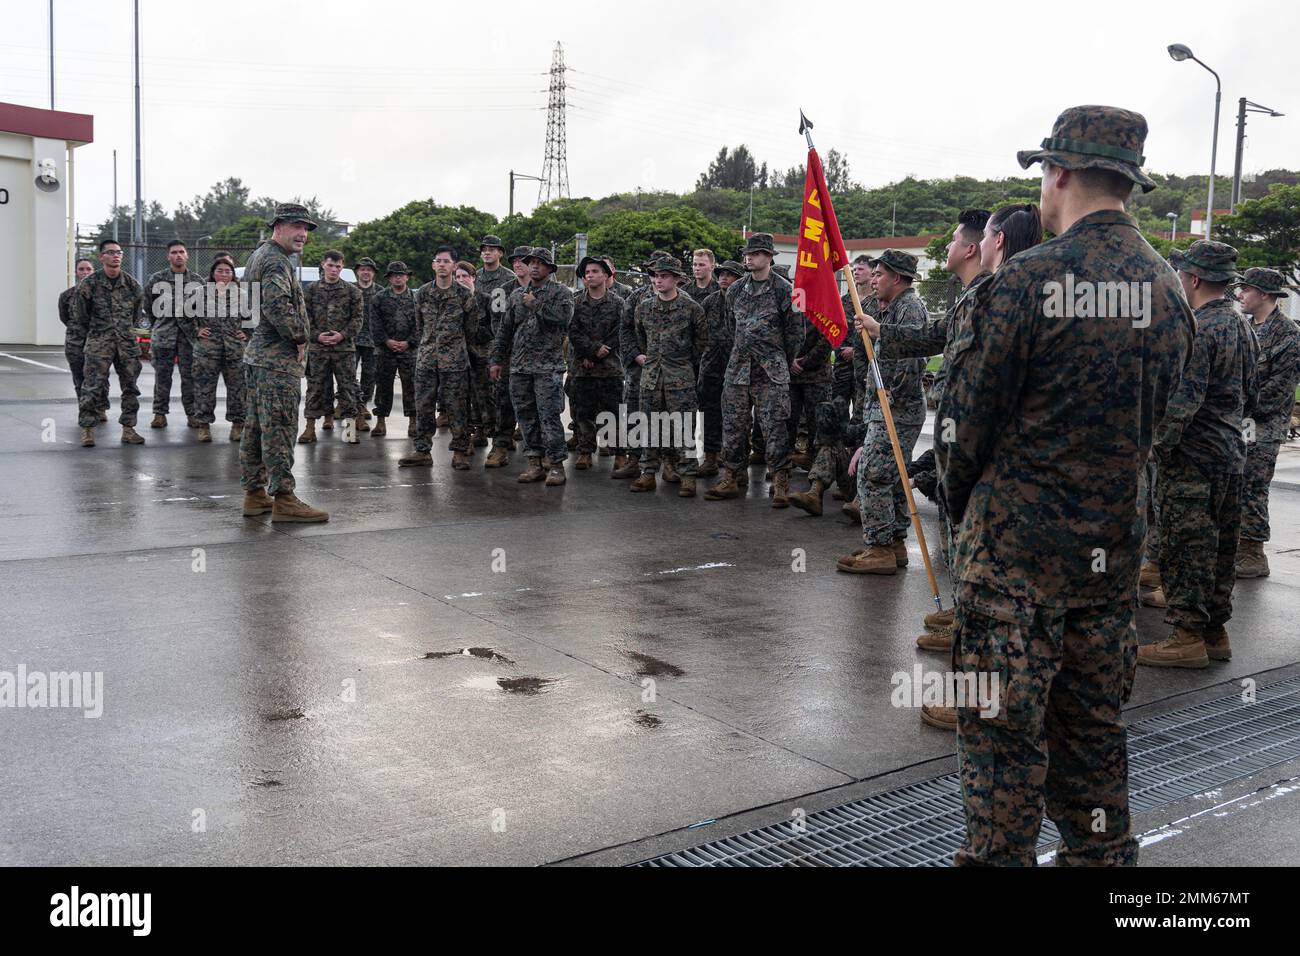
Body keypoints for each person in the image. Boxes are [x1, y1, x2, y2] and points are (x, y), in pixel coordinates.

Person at [938, 106, 1193, 866]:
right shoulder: (1167, 288)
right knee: (1092, 749)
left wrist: (963, 511)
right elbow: (1168, 417)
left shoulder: (1025, 279)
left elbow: (963, 429)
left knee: (1001, 757)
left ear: (1059, 175)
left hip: (1014, 569)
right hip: (1108, 565)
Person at [1138, 240, 1258, 668]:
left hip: (1192, 459)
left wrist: (1151, 449)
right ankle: (1214, 632)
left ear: (1192, 278)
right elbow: (1252, 394)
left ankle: (1186, 636)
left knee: (1187, 546)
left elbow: (1180, 405)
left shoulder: (1199, 327)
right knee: (1221, 547)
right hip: (1229, 454)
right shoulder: (1242, 325)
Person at [835, 250, 927, 573]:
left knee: (872, 473)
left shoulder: (910, 308)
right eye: (872, 274)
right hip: (886, 405)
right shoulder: (890, 308)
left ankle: (879, 547)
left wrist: (892, 394)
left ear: (897, 279)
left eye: (880, 274)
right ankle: (894, 542)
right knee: (892, 475)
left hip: (897, 407)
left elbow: (912, 359)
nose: (873, 280)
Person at [239, 203, 328, 522]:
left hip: (258, 355)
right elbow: (277, 306)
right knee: (280, 426)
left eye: (306, 228)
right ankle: (284, 498)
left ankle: (254, 493)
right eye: (296, 226)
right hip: (276, 361)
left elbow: (246, 310)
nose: (303, 233)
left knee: (256, 426)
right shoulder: (275, 260)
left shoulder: (257, 256)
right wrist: (301, 337)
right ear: (278, 226)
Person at [704, 233, 804, 505]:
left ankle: (781, 481)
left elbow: (796, 333)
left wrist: (778, 358)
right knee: (733, 426)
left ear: (769, 257)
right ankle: (732, 478)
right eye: (747, 253)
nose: (749, 257)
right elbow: (729, 327)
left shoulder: (787, 290)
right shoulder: (735, 290)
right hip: (738, 370)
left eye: (756, 253)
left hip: (770, 372)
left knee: (775, 428)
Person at [1233, 267, 1300, 578]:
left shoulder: (1288, 334)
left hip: (1265, 426)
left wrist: (1236, 404)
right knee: (1233, 484)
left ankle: (1252, 552)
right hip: (1237, 422)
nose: (1240, 295)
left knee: (1253, 486)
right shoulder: (1244, 327)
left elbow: (1279, 390)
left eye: (1246, 289)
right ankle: (1235, 546)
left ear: (1265, 295)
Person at [489, 247, 573, 486]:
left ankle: (555, 465)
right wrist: (496, 360)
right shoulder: (516, 295)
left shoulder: (561, 293)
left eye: (539, 263)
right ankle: (534, 462)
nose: (534, 266)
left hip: (548, 368)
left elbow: (563, 321)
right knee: (526, 417)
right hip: (519, 368)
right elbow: (505, 331)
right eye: (531, 262)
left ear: (549, 268)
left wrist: (535, 304)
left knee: (548, 417)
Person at [630, 256, 706, 496]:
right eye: (654, 276)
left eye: (663, 276)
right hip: (651, 377)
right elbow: (641, 337)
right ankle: (648, 473)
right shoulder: (644, 307)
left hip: (680, 377)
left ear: (675, 279)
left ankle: (688, 475)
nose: (657, 280)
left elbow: (701, 343)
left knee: (684, 428)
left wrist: (682, 364)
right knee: (649, 426)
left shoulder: (691, 308)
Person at [400, 247, 481, 469]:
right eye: (438, 261)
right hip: (426, 359)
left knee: (457, 407)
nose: (442, 265)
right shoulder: (423, 293)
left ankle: (460, 451)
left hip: (454, 360)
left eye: (447, 261)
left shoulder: (465, 295)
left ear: (455, 266)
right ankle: (422, 450)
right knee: (423, 405)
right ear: (434, 265)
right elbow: (419, 326)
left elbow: (470, 330)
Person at [75, 239, 146, 447]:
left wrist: (124, 331)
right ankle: (88, 429)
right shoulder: (89, 284)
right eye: (110, 252)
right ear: (102, 257)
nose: (116, 256)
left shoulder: (133, 286)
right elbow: (81, 316)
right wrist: (99, 333)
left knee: (131, 387)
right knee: (92, 386)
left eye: (119, 252)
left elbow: (135, 317)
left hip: (126, 344)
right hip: (99, 343)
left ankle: (128, 429)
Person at [300, 251, 364, 445]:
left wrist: (342, 335)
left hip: (343, 349)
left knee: (348, 389)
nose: (334, 270)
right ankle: (310, 429)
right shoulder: (310, 290)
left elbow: (357, 319)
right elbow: (304, 318)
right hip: (318, 349)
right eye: (330, 266)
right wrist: (316, 335)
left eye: (338, 266)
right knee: (315, 388)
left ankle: (351, 431)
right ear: (323, 265)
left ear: (342, 267)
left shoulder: (353, 291)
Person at [569, 256, 625, 470]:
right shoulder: (575, 302)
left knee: (614, 413)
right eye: (587, 273)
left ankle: (620, 453)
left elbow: (620, 331)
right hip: (583, 367)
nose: (589, 275)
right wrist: (591, 352)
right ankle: (585, 451)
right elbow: (573, 331)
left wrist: (602, 351)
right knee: (583, 413)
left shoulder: (618, 303)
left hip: (609, 368)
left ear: (606, 275)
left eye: (594, 271)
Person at [144, 239, 204, 429]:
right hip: (164, 337)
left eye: (181, 252)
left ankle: (192, 414)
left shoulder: (197, 282)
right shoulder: (157, 280)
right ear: (168, 256)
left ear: (187, 255)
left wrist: (198, 330)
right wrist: (160, 326)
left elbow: (203, 310)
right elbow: (148, 306)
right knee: (162, 377)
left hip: (189, 338)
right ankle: (159, 414)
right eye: (174, 252)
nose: (178, 255)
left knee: (190, 378)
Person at [484, 246, 532, 467]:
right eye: (515, 260)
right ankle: (500, 446)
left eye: (523, 260)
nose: (518, 264)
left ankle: (540, 452)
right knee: (503, 403)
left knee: (538, 406)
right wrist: (499, 356)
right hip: (510, 355)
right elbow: (497, 325)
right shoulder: (502, 291)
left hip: (537, 358)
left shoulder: (547, 290)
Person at [192, 256, 248, 442]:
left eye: (228, 271)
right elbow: (183, 314)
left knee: (238, 389)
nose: (224, 274)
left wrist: (247, 332)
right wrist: (196, 330)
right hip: (208, 349)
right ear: (212, 273)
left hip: (234, 349)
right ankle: (203, 425)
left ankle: (238, 425)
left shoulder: (242, 294)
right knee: (204, 388)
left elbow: (255, 315)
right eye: (220, 271)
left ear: (233, 275)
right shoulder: (200, 293)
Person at [697, 260, 743, 477]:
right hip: (711, 365)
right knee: (709, 413)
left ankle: (734, 459)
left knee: (736, 416)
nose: (724, 278)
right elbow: (697, 332)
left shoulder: (743, 299)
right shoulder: (710, 301)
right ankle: (710, 457)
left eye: (729, 275)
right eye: (721, 274)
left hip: (736, 367)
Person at [471, 236, 515, 449]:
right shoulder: (475, 277)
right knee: (477, 390)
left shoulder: (509, 279)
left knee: (499, 391)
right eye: (484, 249)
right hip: (475, 340)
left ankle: (502, 433)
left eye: (492, 249)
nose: (487, 253)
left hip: (497, 342)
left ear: (500, 253)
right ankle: (479, 429)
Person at [370, 261, 420, 439]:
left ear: (407, 277)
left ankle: (413, 421)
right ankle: (380, 421)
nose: (398, 277)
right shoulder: (379, 298)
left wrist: (410, 342)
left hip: (410, 350)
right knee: (383, 386)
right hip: (385, 350)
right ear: (389, 278)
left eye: (401, 274)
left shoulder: (417, 299)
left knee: (411, 387)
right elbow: (374, 324)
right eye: (394, 275)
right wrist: (386, 341)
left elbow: (421, 325)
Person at [59, 258, 103, 418]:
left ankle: (100, 407)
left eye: (88, 269)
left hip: (98, 341)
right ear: (76, 272)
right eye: (81, 269)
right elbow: (64, 317)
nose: (85, 272)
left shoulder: (101, 294)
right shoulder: (66, 295)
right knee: (79, 376)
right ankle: (84, 409)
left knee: (99, 376)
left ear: (94, 271)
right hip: (75, 342)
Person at [352, 256, 383, 431]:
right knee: (348, 374)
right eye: (363, 269)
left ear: (373, 273)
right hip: (352, 339)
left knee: (369, 375)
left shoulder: (380, 292)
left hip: (372, 340)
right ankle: (350, 404)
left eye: (369, 270)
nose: (366, 272)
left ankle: (362, 403)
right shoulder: (350, 290)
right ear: (358, 272)